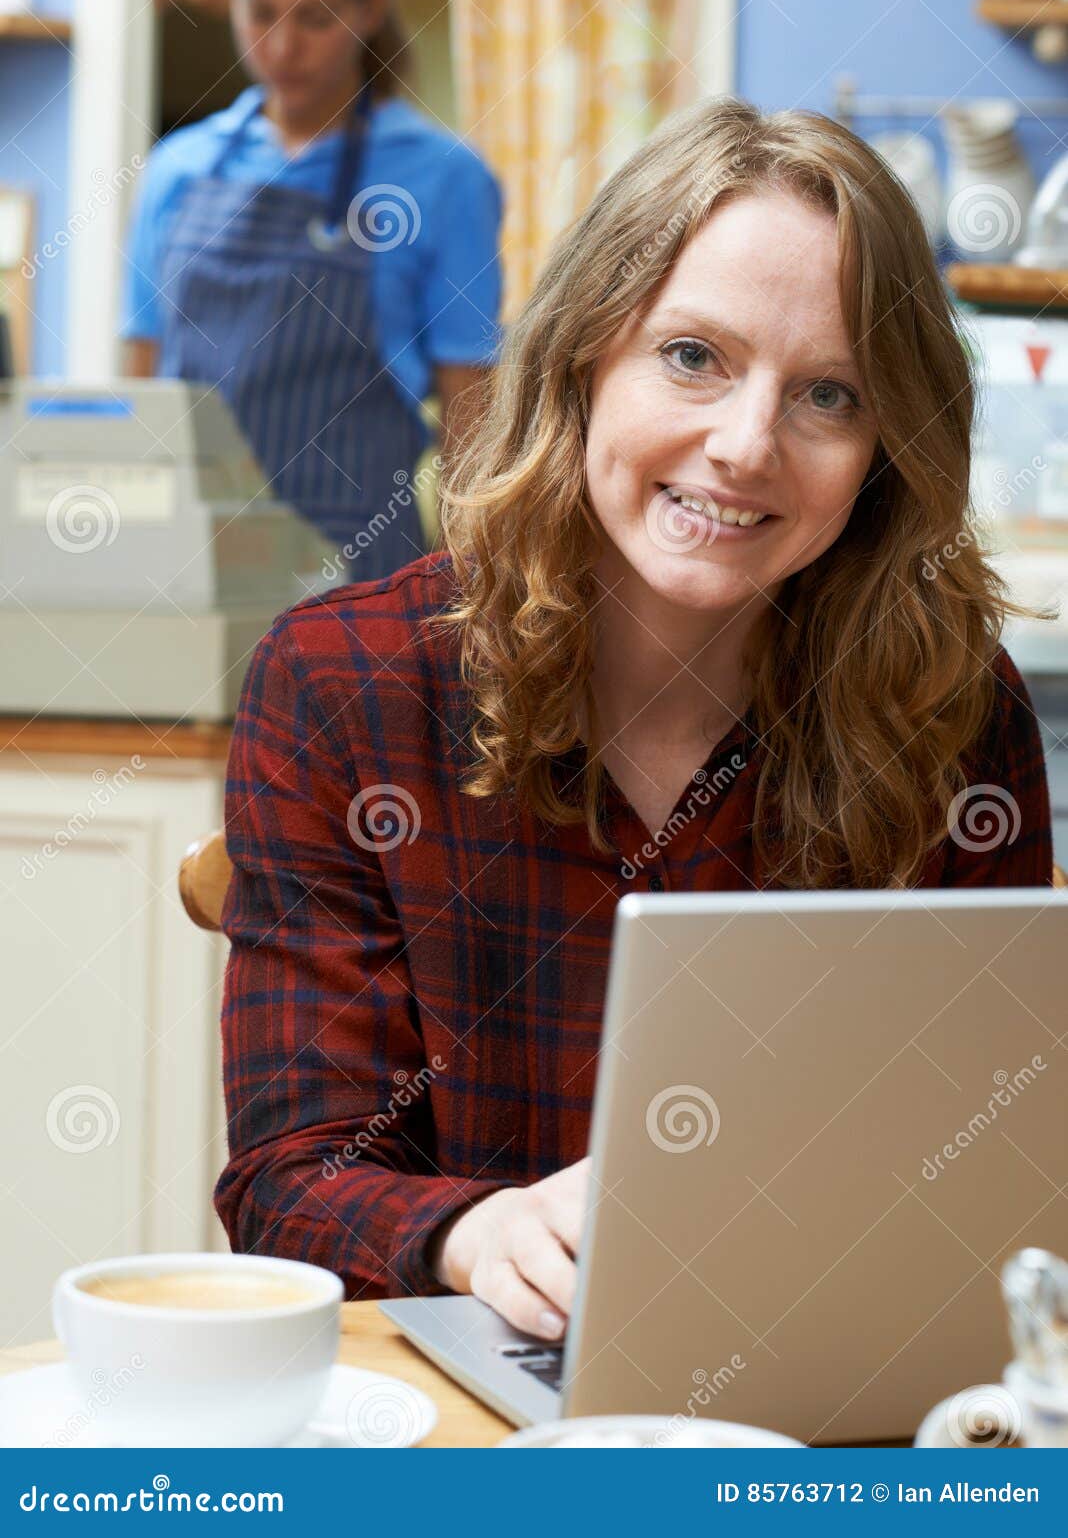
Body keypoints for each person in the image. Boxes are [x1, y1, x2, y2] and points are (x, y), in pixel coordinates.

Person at [214, 97, 1054, 1344]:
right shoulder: (346, 682)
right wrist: (471, 1230)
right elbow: (289, 1184)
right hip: (479, 1396)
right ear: (583, 353)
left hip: (824, 1402)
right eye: (694, 356)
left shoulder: (954, 710)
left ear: (888, 444)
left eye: (829, 393)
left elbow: (1000, 1185)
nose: (746, 445)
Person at [121, 0, 502, 577]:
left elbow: (470, 421)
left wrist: (469, 596)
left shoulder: (445, 178)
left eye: (315, 18)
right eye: (260, 12)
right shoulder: (178, 170)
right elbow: (141, 388)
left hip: (357, 570)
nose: (283, 48)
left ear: (370, 10)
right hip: (187, 568)